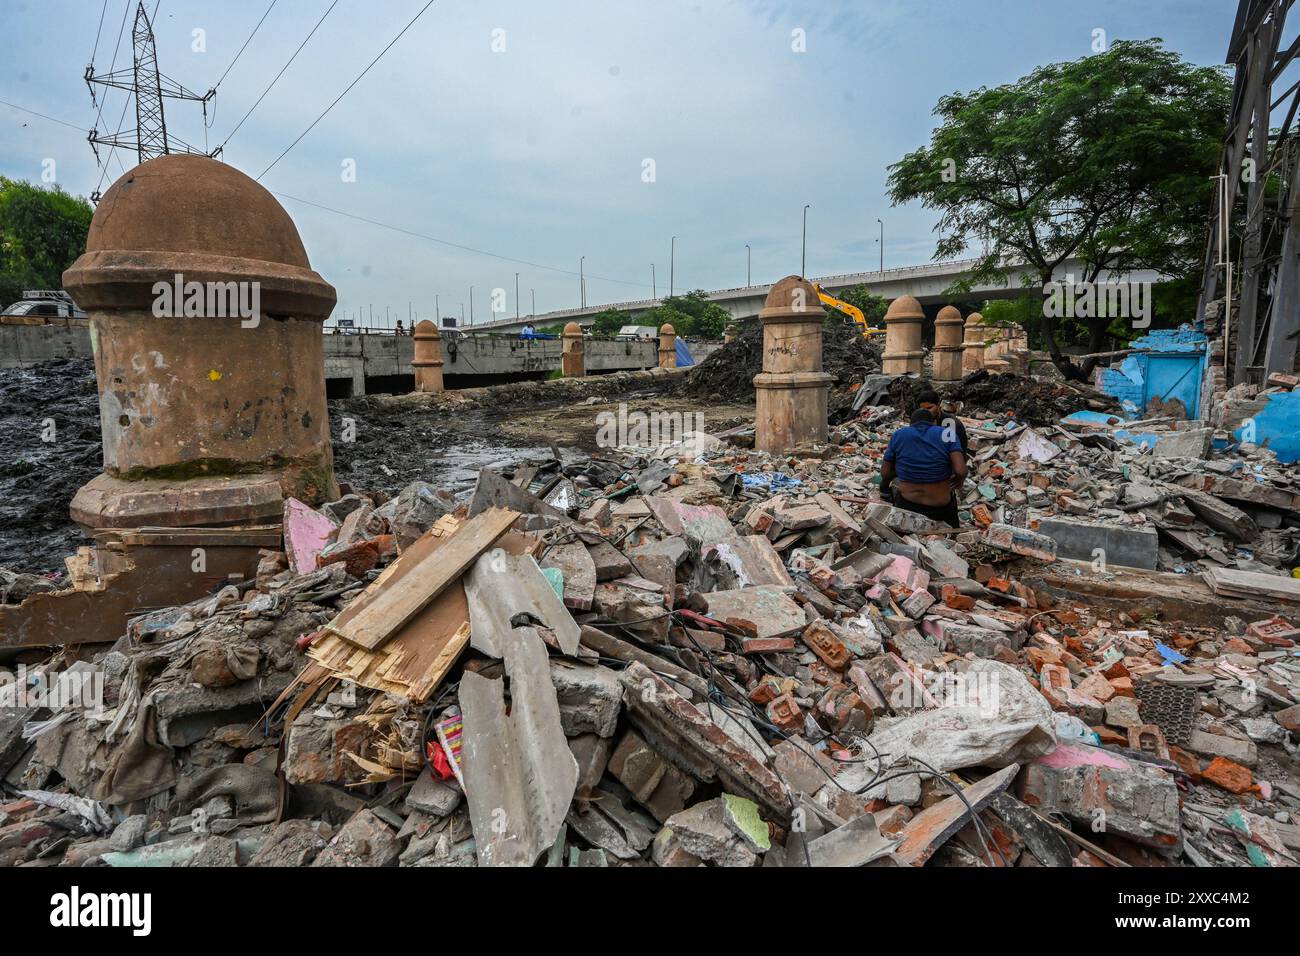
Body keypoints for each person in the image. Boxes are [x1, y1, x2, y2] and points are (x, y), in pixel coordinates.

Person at [879, 407, 966, 527]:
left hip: (908, 503)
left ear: (911, 424)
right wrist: (959, 481)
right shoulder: (947, 433)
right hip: (939, 505)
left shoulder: (899, 435)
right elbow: (960, 471)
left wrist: (900, 473)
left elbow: (885, 473)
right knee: (951, 538)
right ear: (934, 422)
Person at [917, 388, 968, 459]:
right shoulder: (921, 421)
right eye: (923, 409)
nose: (926, 412)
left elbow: (948, 450)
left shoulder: (949, 423)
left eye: (929, 408)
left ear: (938, 406)